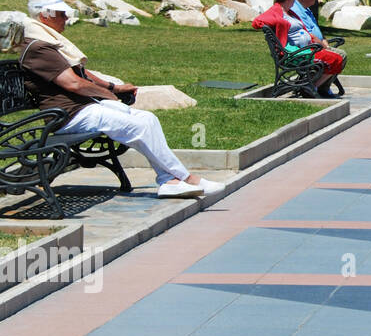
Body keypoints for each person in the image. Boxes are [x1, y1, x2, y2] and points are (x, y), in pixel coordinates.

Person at [2, 17, 221, 199]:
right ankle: (186, 178)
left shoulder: (42, 47)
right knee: (139, 127)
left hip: (81, 110)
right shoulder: (37, 50)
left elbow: (80, 75)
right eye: (61, 14)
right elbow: (74, 83)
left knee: (148, 119)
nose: (66, 20)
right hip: (69, 116)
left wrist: (111, 89)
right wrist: (108, 93)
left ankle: (169, 180)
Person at [253, 0, 346, 96]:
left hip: (308, 49)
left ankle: (311, 86)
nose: (295, 1)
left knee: (337, 58)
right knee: (336, 60)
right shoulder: (277, 12)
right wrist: (279, 22)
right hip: (296, 55)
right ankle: (312, 87)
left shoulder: (290, 12)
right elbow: (258, 21)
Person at [287, 0, 349, 71]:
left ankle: (319, 83)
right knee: (340, 56)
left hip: (318, 46)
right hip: (310, 49)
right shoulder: (296, 11)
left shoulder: (306, 9)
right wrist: (324, 46)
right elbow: (308, 34)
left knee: (340, 56)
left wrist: (323, 39)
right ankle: (318, 84)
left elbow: (314, 28)